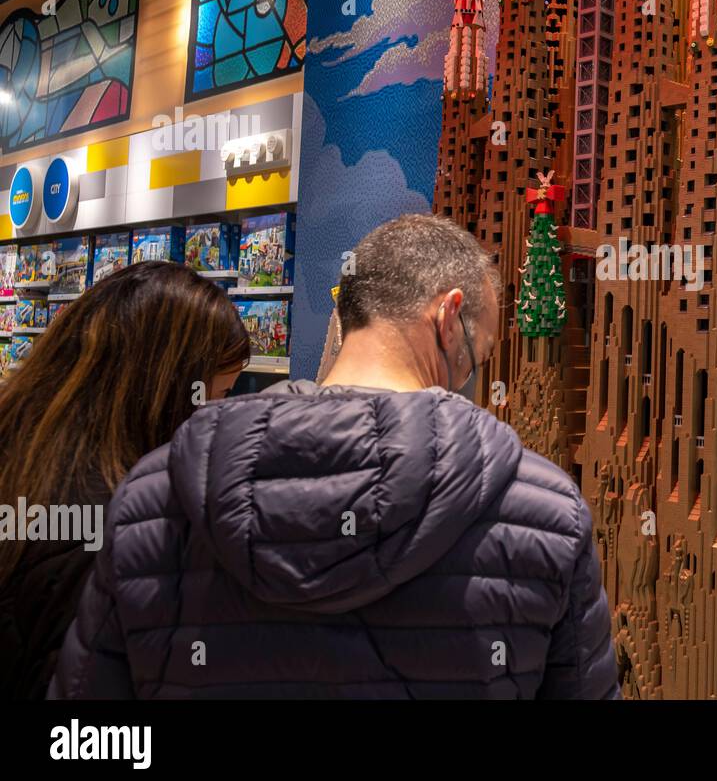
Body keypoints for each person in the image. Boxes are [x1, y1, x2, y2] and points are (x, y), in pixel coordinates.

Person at [52, 213, 619, 699]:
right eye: (482, 351)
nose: (474, 372)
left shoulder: (154, 496)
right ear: (449, 320)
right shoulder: (547, 514)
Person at [0, 262, 250, 699]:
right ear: (171, 389)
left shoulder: (24, 443)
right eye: (222, 393)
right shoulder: (109, 521)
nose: (218, 413)